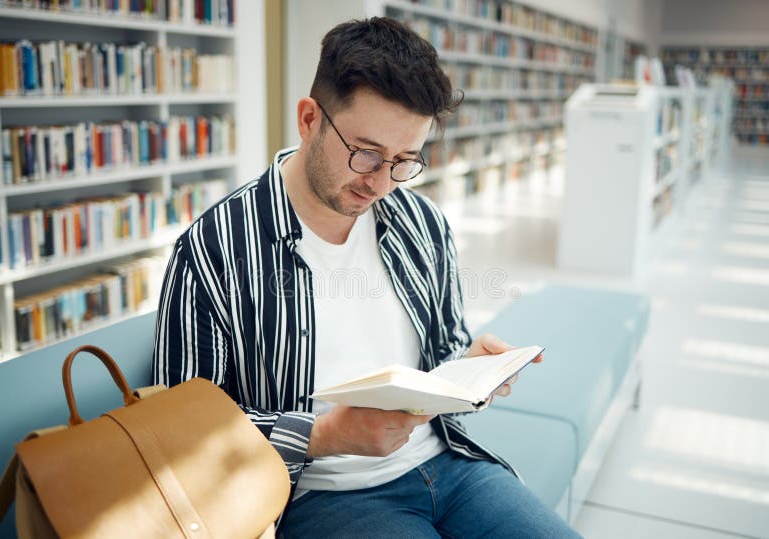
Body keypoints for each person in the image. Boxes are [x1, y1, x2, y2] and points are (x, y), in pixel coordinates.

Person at [152, 16, 582, 538]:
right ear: (309, 118)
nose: (381, 183)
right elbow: (183, 438)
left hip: (448, 462)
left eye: (404, 160)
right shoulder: (212, 250)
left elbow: (441, 347)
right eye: (366, 153)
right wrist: (323, 436)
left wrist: (467, 373)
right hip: (319, 494)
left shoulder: (421, 223)